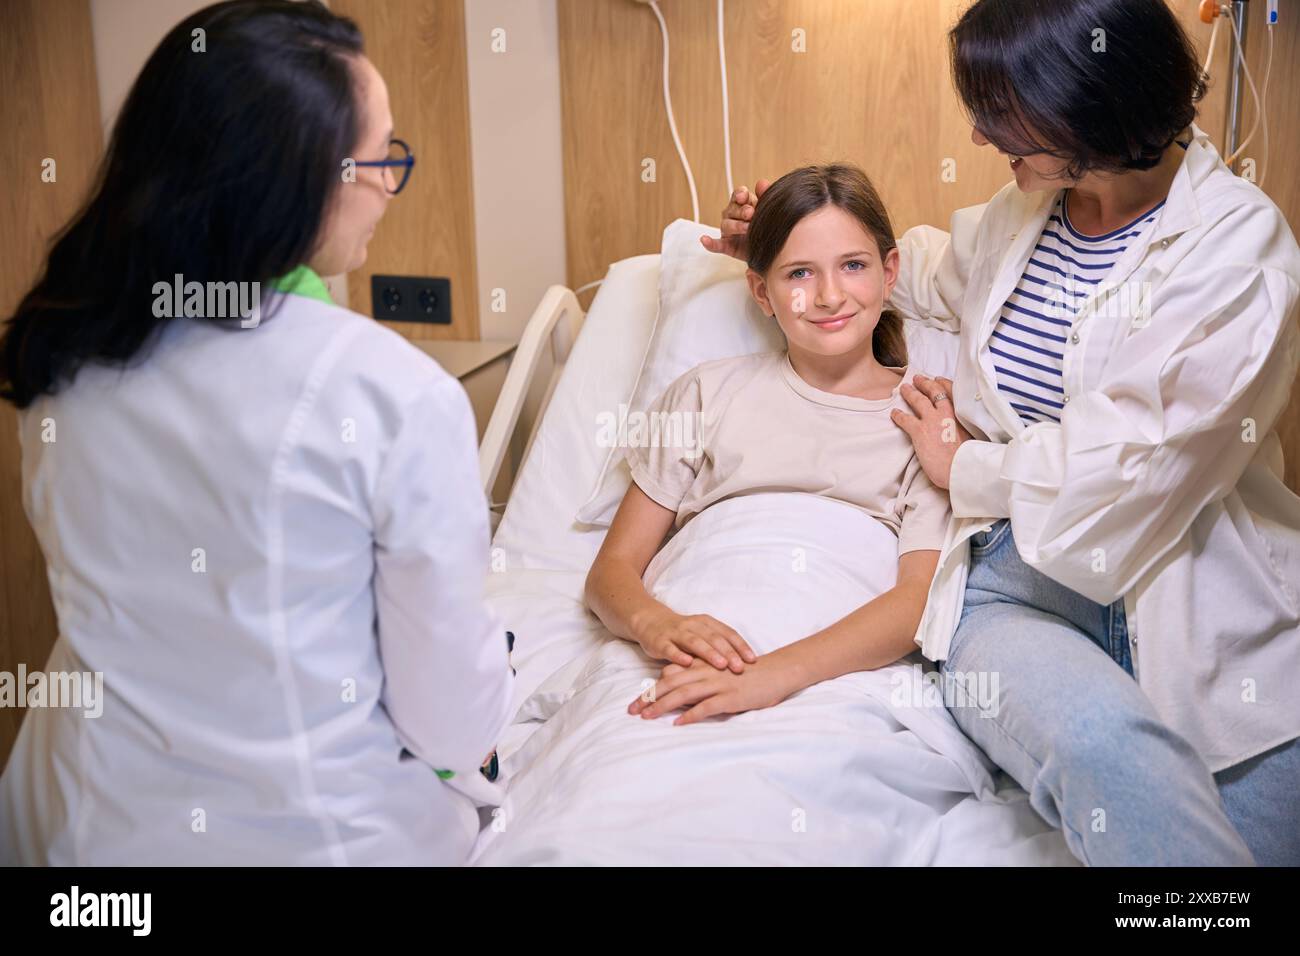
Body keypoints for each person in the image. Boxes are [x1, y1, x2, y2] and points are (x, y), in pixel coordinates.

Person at [707, 0, 1300, 865]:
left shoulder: (1237, 251)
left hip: (1197, 583)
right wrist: (785, 253)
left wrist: (965, 465)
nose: (983, 138)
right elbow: (910, 270)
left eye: (1000, 111)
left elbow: (1129, 473)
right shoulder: (1024, 215)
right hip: (1015, 587)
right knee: (1111, 751)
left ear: (1085, 101)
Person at [0, 0, 512, 865]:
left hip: (83, 829)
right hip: (310, 838)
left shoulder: (65, 355)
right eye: (379, 157)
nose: (389, 183)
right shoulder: (393, 395)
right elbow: (449, 723)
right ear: (292, 179)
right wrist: (495, 678)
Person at [587, 164, 950, 723]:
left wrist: (771, 676)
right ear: (762, 291)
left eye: (854, 266)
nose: (829, 296)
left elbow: (916, 604)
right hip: (688, 649)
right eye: (799, 273)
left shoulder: (926, 420)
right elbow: (611, 571)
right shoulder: (705, 394)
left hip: (828, 672)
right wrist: (657, 624)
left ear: (890, 271)